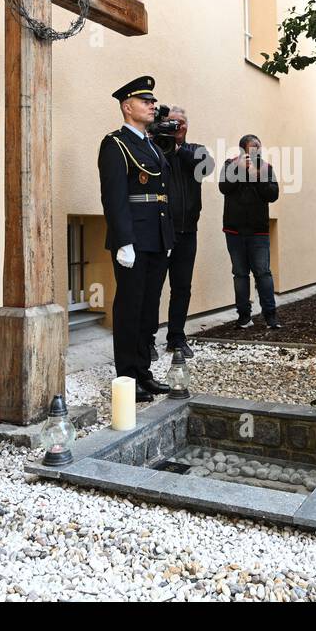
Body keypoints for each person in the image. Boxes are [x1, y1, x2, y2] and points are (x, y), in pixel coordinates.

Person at [97, 76, 175, 401]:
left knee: (149, 308)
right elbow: (114, 197)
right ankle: (127, 379)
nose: (153, 106)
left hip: (156, 238)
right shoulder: (114, 144)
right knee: (130, 308)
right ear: (128, 107)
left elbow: (161, 193)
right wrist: (123, 240)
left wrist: (166, 236)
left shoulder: (152, 146)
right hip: (133, 240)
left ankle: (144, 371)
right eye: (146, 101)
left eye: (153, 101)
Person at [152, 106, 211, 359]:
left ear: (185, 126)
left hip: (188, 231)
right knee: (153, 287)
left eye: (178, 123)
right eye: (170, 123)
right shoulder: (154, 147)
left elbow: (206, 168)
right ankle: (146, 340)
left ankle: (176, 337)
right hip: (160, 231)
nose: (175, 127)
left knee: (182, 287)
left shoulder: (195, 150)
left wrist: (178, 149)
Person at [219, 135, 281, 329]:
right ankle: (244, 316)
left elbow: (273, 194)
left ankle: (270, 316)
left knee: (263, 273)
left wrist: (256, 174)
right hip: (234, 230)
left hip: (258, 231)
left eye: (259, 148)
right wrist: (239, 169)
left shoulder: (265, 168)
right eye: (253, 149)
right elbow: (224, 188)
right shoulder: (229, 165)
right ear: (242, 150)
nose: (257, 152)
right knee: (240, 274)